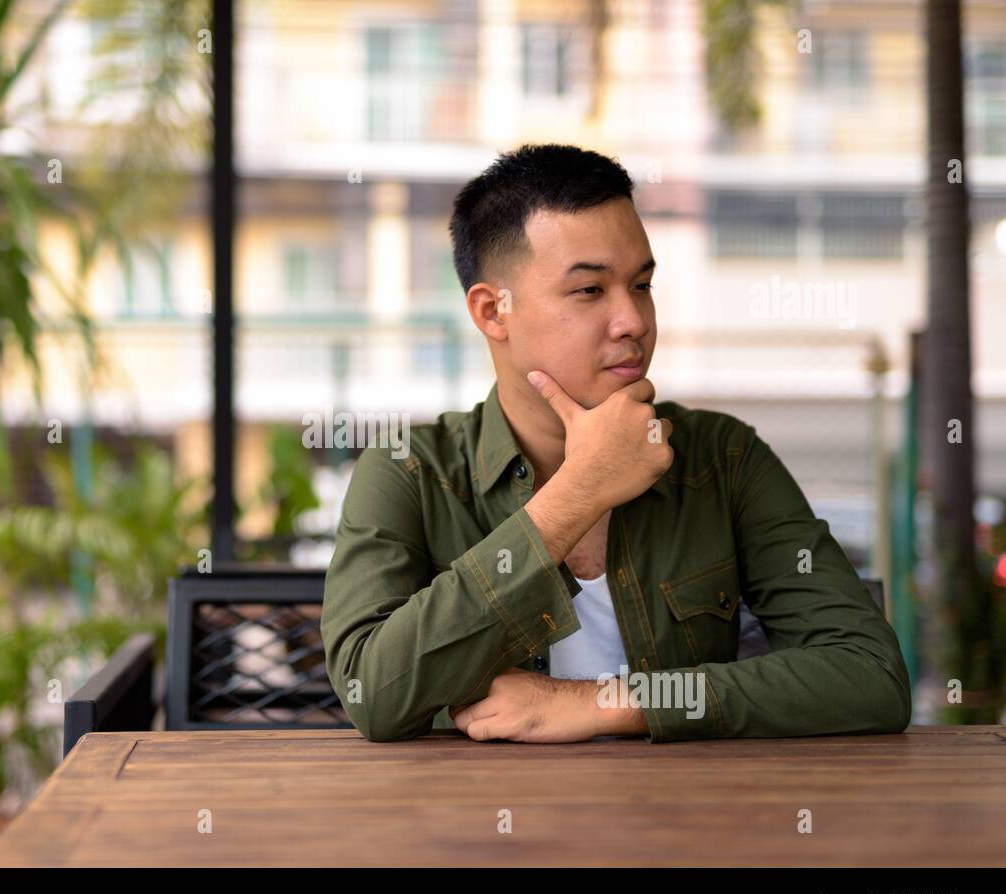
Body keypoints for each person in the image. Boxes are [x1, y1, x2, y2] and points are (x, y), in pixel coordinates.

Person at [320, 144, 911, 744]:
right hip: (481, 826)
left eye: (642, 284)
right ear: (493, 312)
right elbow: (373, 693)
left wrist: (607, 702)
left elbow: (870, 674)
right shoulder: (410, 470)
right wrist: (579, 492)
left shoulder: (720, 458)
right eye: (589, 291)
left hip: (683, 820)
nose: (633, 320)